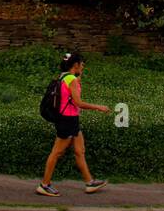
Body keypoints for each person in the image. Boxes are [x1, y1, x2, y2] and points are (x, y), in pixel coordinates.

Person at [36, 50, 109, 196]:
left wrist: (78, 75)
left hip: (72, 119)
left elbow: (73, 90)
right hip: (67, 120)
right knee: (56, 152)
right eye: (81, 64)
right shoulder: (72, 80)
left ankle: (90, 183)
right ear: (75, 65)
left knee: (79, 151)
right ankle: (44, 185)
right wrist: (98, 107)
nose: (83, 66)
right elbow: (78, 102)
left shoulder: (65, 77)